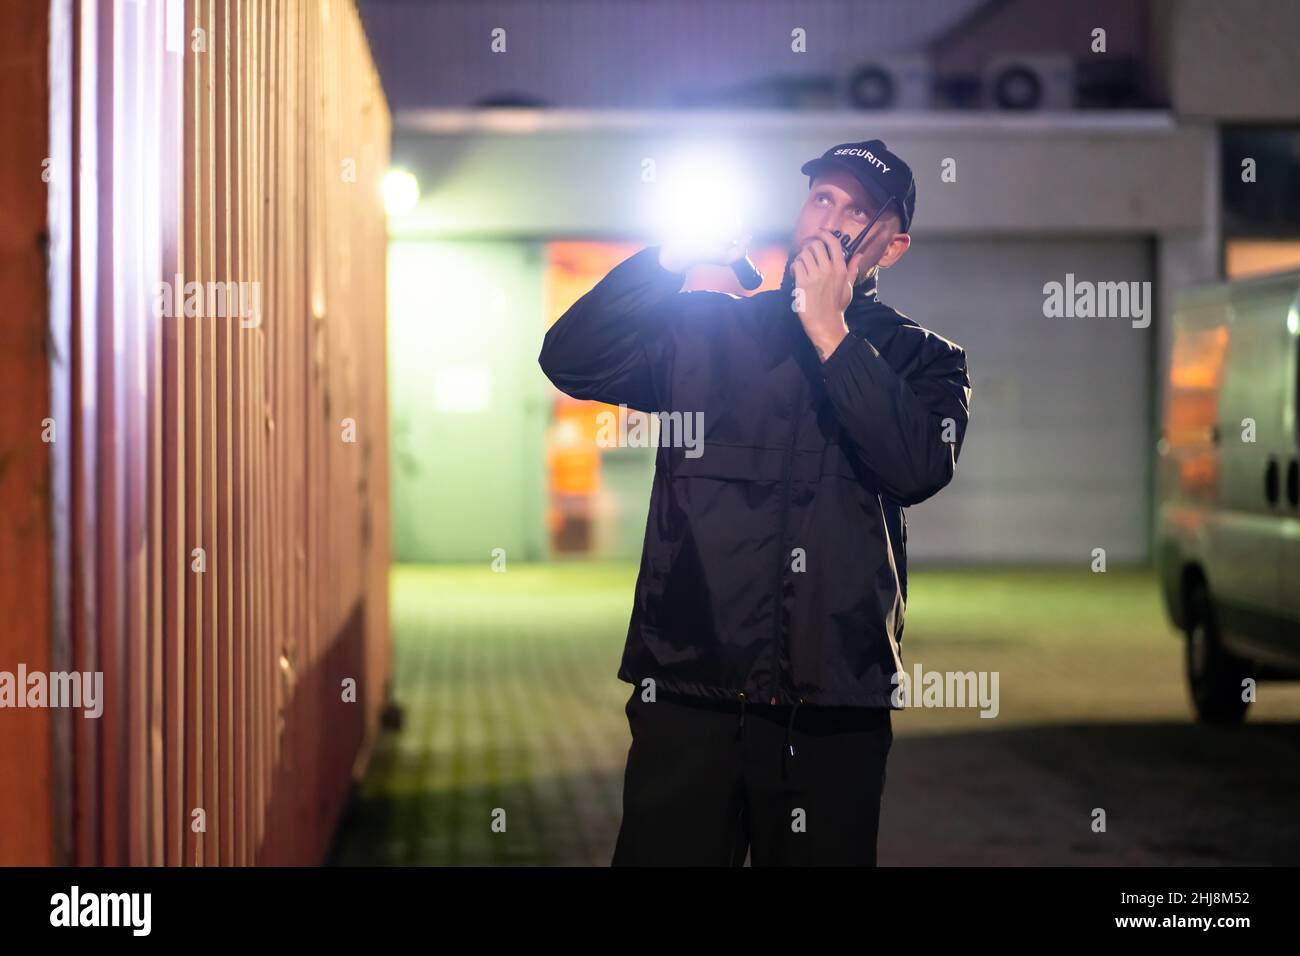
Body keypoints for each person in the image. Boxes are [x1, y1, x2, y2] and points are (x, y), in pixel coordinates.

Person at [538, 139, 972, 866]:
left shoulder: (923, 359)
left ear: (890, 247)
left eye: (856, 210)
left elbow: (918, 468)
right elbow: (571, 359)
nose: (830, 219)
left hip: (832, 708)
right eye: (822, 198)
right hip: (688, 688)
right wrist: (668, 259)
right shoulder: (709, 329)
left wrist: (832, 334)